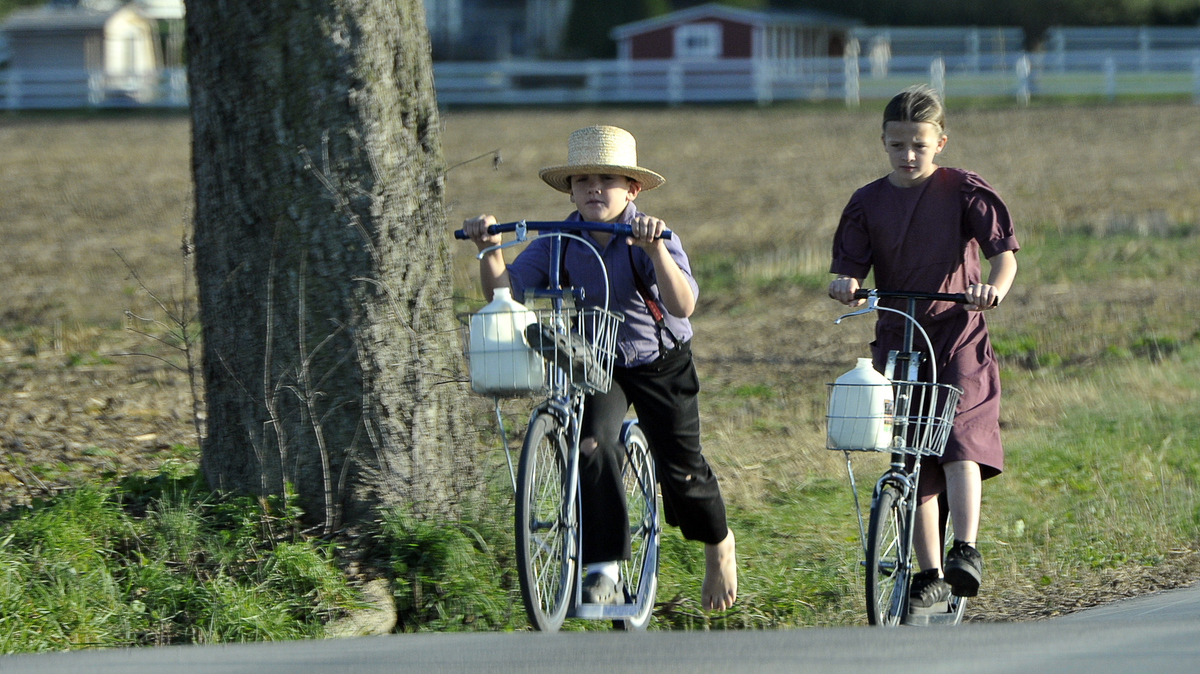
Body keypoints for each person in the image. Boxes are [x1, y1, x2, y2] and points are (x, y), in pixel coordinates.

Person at [462, 125, 737, 612]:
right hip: (596, 363)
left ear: (631, 189)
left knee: (684, 472)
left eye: (607, 179)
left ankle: (719, 544)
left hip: (658, 360)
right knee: (590, 443)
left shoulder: (649, 234)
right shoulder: (559, 240)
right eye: (583, 179)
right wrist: (490, 250)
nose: (594, 188)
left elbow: (684, 304)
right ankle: (604, 568)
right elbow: (504, 296)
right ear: (569, 189)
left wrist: (654, 250)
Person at [828, 85, 1018, 615]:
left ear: (940, 142)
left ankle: (966, 549)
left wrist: (993, 290)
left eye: (918, 144)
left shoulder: (963, 190)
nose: (908, 155)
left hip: (956, 329)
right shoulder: (868, 202)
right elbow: (847, 266)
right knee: (910, 453)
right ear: (883, 142)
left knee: (958, 437)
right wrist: (844, 283)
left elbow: (1004, 256)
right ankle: (930, 574)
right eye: (897, 145)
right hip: (898, 333)